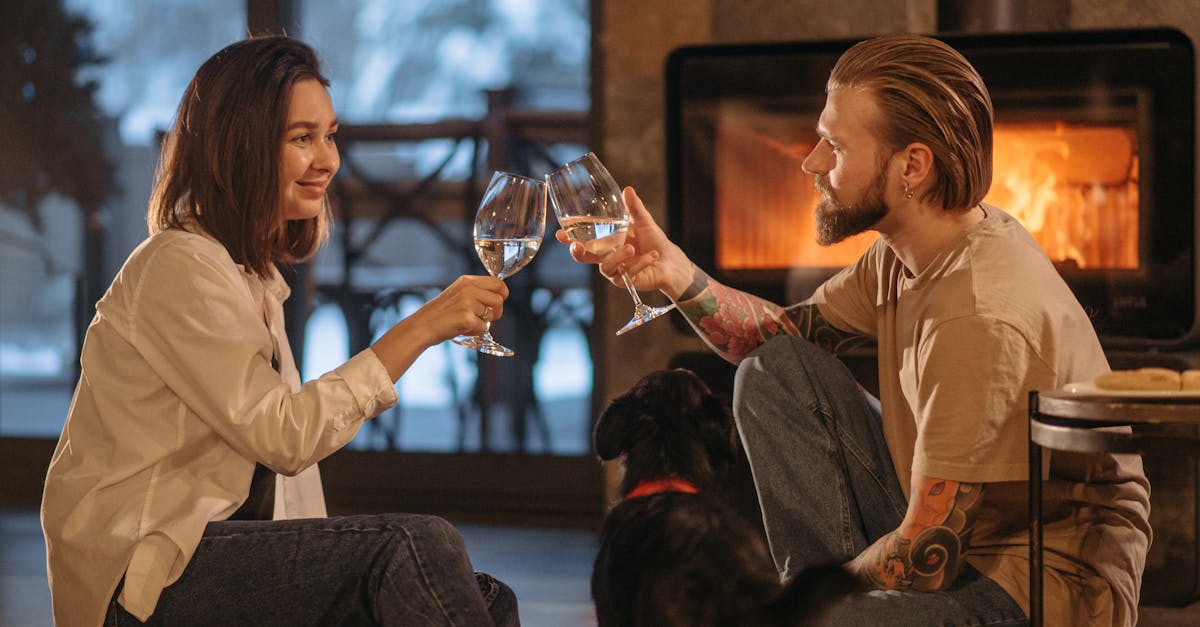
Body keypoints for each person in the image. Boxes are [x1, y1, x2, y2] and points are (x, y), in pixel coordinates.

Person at [561, 34, 1150, 626]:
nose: (811, 163)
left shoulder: (978, 313)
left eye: (835, 147)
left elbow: (926, 557)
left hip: (1037, 586)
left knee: (816, 622)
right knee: (776, 372)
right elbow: (777, 340)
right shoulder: (910, 249)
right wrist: (674, 272)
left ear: (912, 166)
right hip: (957, 537)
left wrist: (791, 605)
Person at [41, 35, 519, 626]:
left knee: (486, 601)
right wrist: (420, 328)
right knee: (412, 547)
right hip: (145, 580)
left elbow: (288, 493)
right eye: (301, 138)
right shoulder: (177, 266)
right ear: (239, 146)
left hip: (215, 558)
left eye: (330, 134)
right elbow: (285, 437)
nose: (328, 160)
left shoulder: (251, 274)